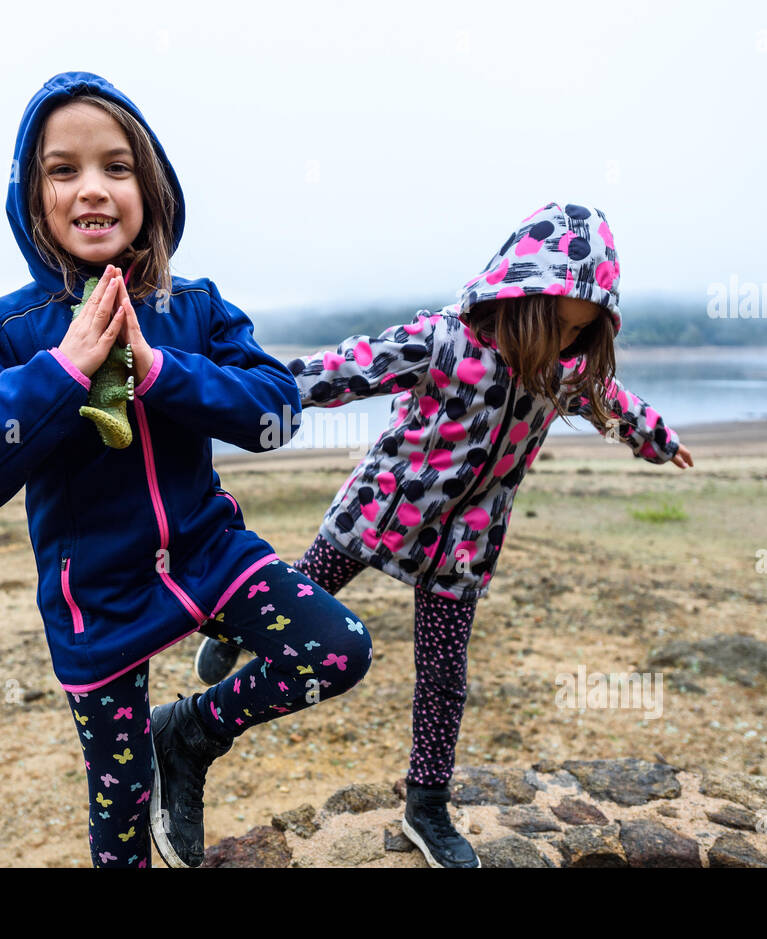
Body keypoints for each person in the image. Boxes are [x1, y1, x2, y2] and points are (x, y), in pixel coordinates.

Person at [0, 72, 372, 869]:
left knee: (338, 647)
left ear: (150, 186)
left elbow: (277, 410)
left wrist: (161, 370)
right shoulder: (11, 330)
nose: (92, 188)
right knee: (121, 827)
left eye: (116, 166)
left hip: (208, 553)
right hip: (95, 600)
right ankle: (145, 771)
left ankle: (188, 734)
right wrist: (60, 372)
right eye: (63, 169)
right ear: (34, 197)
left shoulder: (193, 304)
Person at [193, 202, 693, 867]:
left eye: (579, 335)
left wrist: (659, 439)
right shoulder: (442, 341)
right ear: (519, 299)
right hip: (377, 510)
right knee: (296, 596)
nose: (565, 348)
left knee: (444, 676)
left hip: (465, 544)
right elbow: (343, 369)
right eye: (558, 329)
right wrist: (246, 393)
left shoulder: (563, 371)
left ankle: (426, 802)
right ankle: (230, 630)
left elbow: (612, 400)